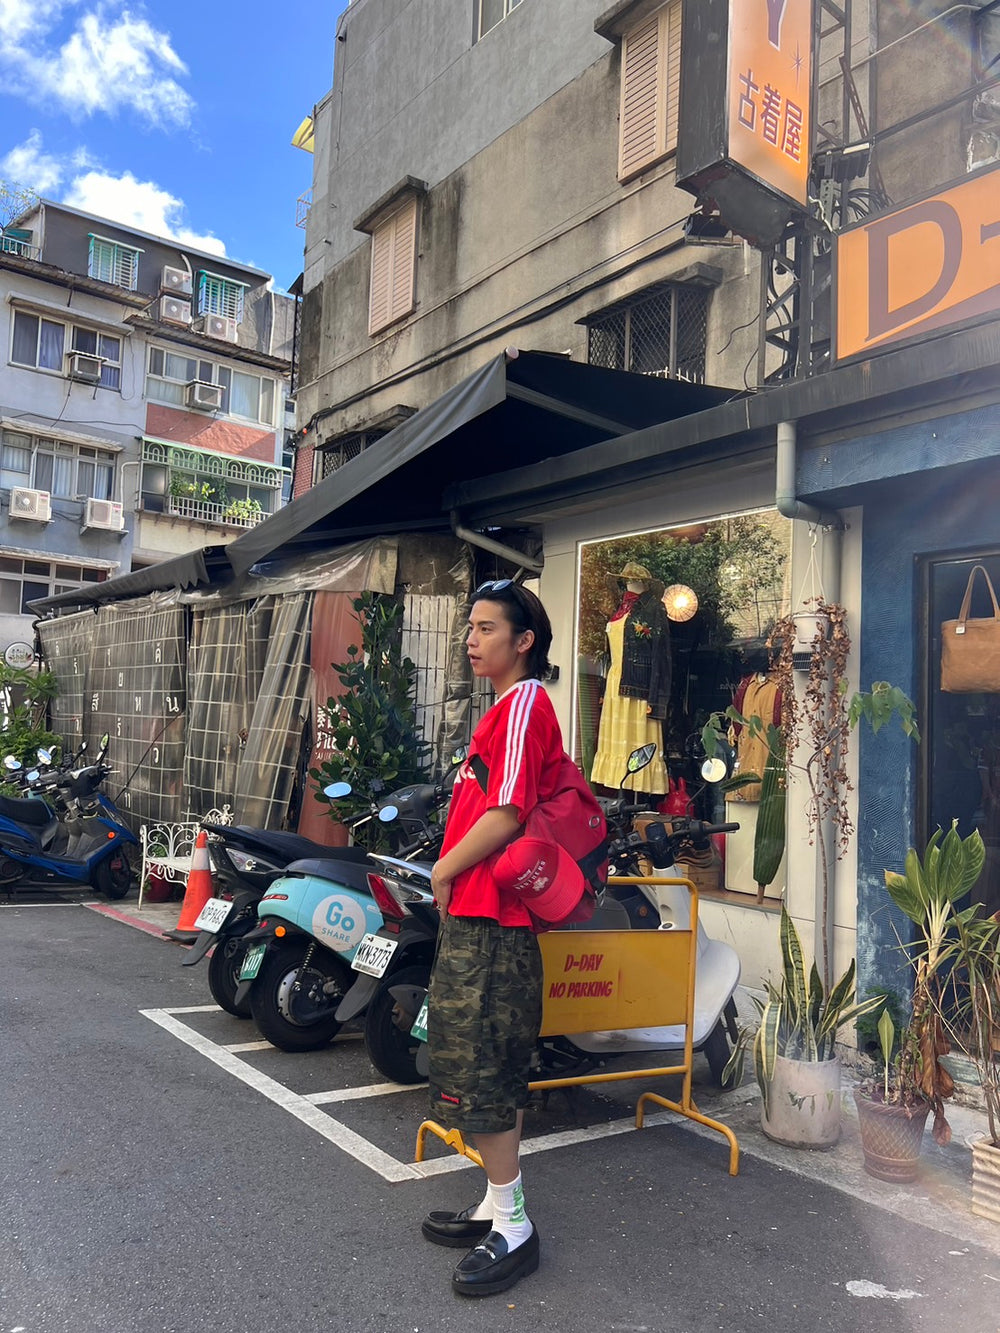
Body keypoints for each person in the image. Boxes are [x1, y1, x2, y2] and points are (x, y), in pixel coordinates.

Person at [422, 578, 561, 1298]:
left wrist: (443, 868)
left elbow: (507, 812)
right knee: (478, 1067)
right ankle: (495, 1202)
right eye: (470, 627)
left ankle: (513, 1224)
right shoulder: (505, 707)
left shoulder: (525, 702)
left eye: (486, 628)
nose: (471, 639)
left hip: (495, 923)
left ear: (523, 641)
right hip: (482, 918)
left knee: (485, 1070)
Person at [589, 560, 670, 794]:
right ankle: (621, 792)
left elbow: (661, 657)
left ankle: (638, 793)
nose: (630, 583)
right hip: (615, 682)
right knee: (617, 741)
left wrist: (656, 699)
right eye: (627, 580)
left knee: (637, 741)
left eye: (634, 580)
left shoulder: (654, 609)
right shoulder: (620, 609)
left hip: (638, 686)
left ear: (644, 583)